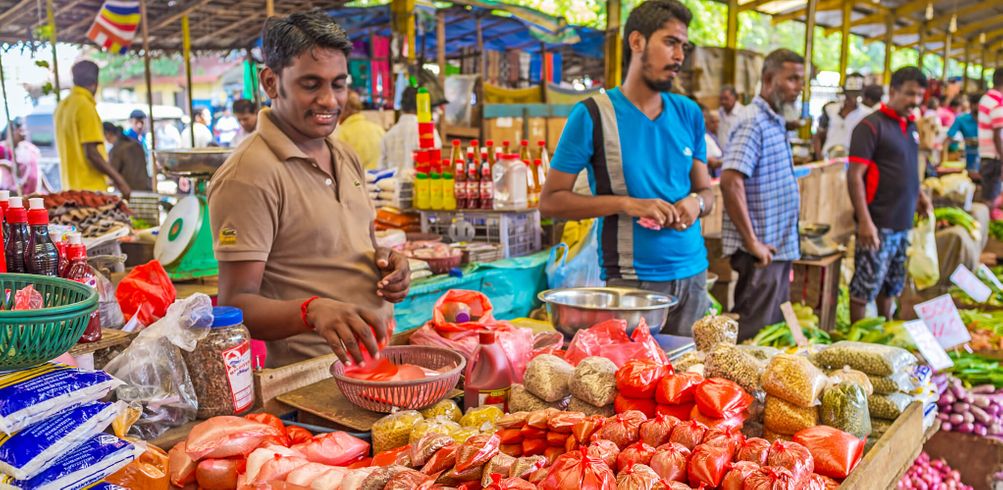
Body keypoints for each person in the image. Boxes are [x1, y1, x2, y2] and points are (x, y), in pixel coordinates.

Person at [208, 9, 410, 367]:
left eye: (338, 84)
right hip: (309, 379)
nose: (330, 101)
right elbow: (235, 303)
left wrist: (388, 265)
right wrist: (311, 311)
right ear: (271, 83)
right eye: (311, 84)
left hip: (374, 364)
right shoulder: (248, 175)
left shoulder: (344, 154)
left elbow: (359, 246)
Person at [540, 0, 714, 335]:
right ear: (637, 42)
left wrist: (697, 203)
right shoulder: (592, 114)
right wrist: (626, 204)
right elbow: (551, 202)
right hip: (632, 286)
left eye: (683, 46)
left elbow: (706, 190)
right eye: (670, 42)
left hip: (694, 275)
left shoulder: (689, 112)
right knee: (636, 382)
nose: (679, 56)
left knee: (691, 377)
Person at [720, 48, 805, 340]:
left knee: (768, 334)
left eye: (801, 80)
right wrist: (752, 242)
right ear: (768, 79)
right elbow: (730, 181)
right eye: (792, 79)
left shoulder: (774, 121)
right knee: (750, 339)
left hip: (775, 247)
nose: (799, 87)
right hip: (760, 252)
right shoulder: (753, 121)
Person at [847, 66, 932, 323]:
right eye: (909, 94)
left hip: (902, 222)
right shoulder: (870, 127)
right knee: (865, 286)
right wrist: (865, 221)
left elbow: (907, 166)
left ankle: (885, 328)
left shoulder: (911, 126)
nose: (914, 101)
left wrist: (919, 195)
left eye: (919, 95)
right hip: (877, 223)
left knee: (892, 283)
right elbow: (854, 177)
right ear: (892, 91)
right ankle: (856, 342)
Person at [53, 61, 131, 197]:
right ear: (95, 83)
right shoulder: (84, 106)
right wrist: (120, 182)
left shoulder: (62, 106)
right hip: (90, 192)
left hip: (69, 190)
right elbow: (91, 153)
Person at [379, 87, 441, 171]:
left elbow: (381, 169)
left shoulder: (388, 135)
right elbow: (435, 164)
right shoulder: (430, 133)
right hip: (422, 183)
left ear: (402, 107)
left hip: (392, 183)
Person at [815, 73, 869, 159]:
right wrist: (819, 157)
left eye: (856, 93)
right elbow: (818, 135)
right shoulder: (830, 109)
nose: (853, 96)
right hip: (828, 156)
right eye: (851, 92)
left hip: (851, 160)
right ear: (844, 91)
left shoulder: (867, 114)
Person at [334, 91, 385, 170]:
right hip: (382, 180)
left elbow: (340, 168)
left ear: (343, 110)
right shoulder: (378, 129)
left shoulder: (343, 133)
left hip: (356, 180)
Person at [103, 122, 152, 192]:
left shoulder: (116, 150)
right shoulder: (136, 145)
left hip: (128, 192)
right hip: (144, 189)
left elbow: (112, 175)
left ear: (108, 134)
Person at [978, 69, 1003, 204]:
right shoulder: (997, 101)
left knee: (988, 194)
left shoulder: (985, 98)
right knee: (991, 198)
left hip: (986, 154)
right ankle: (986, 223)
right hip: (995, 157)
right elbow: (997, 136)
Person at [0, 117, 42, 194]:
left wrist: (49, 190)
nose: (25, 133)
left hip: (32, 194)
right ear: (12, 131)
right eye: (22, 131)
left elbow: (38, 172)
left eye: (25, 131)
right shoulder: (3, 148)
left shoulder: (30, 149)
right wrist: (5, 164)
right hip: (13, 194)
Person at [947, 93, 981, 172]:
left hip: (989, 159)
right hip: (969, 158)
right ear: (971, 105)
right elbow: (949, 137)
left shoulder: (990, 119)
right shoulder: (962, 119)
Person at [718, 84, 745, 153]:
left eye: (726, 99)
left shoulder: (743, 113)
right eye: (721, 99)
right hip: (721, 154)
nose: (723, 102)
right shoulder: (719, 112)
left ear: (735, 97)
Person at [703, 106, 723, 177]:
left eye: (717, 122)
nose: (716, 125)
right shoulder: (704, 136)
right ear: (706, 122)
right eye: (713, 122)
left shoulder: (714, 135)